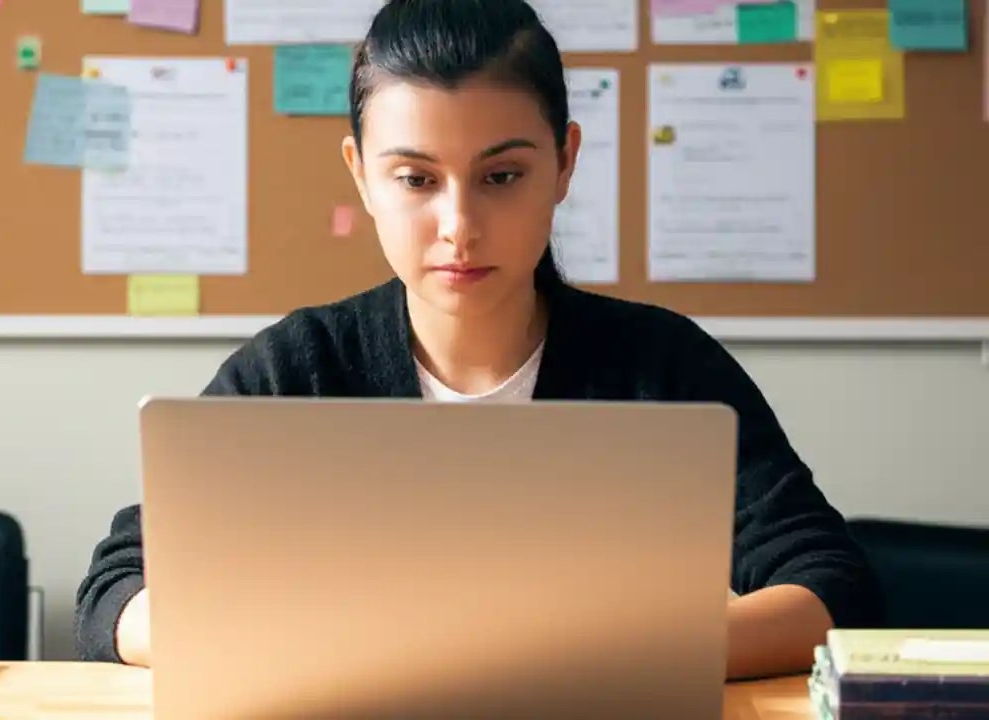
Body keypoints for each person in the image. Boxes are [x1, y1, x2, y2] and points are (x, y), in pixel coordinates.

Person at [75, 0, 883, 680]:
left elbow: (833, 588)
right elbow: (118, 590)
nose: (459, 226)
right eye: (416, 179)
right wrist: (337, 648)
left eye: (501, 176)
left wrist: (605, 657)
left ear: (564, 164)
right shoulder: (298, 367)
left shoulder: (664, 367)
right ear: (360, 173)